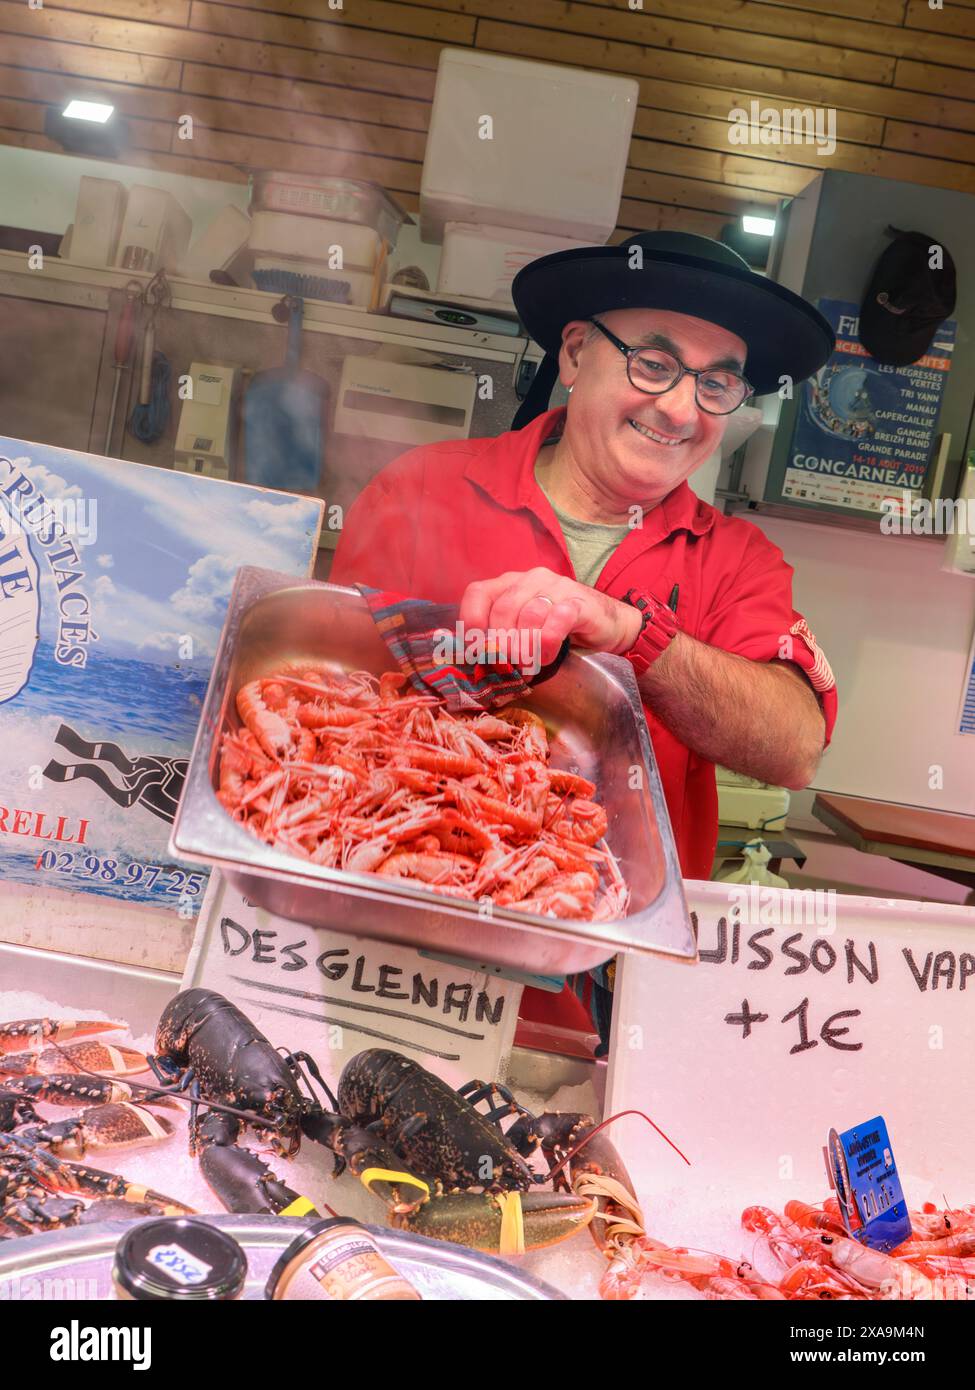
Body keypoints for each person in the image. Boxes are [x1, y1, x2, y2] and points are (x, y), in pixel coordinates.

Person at [332, 230, 838, 1040]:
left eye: (717, 382)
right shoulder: (421, 489)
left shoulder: (737, 559)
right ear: (573, 354)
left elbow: (793, 745)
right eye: (653, 363)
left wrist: (634, 635)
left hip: (613, 991)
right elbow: (333, 712)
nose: (680, 407)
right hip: (390, 954)